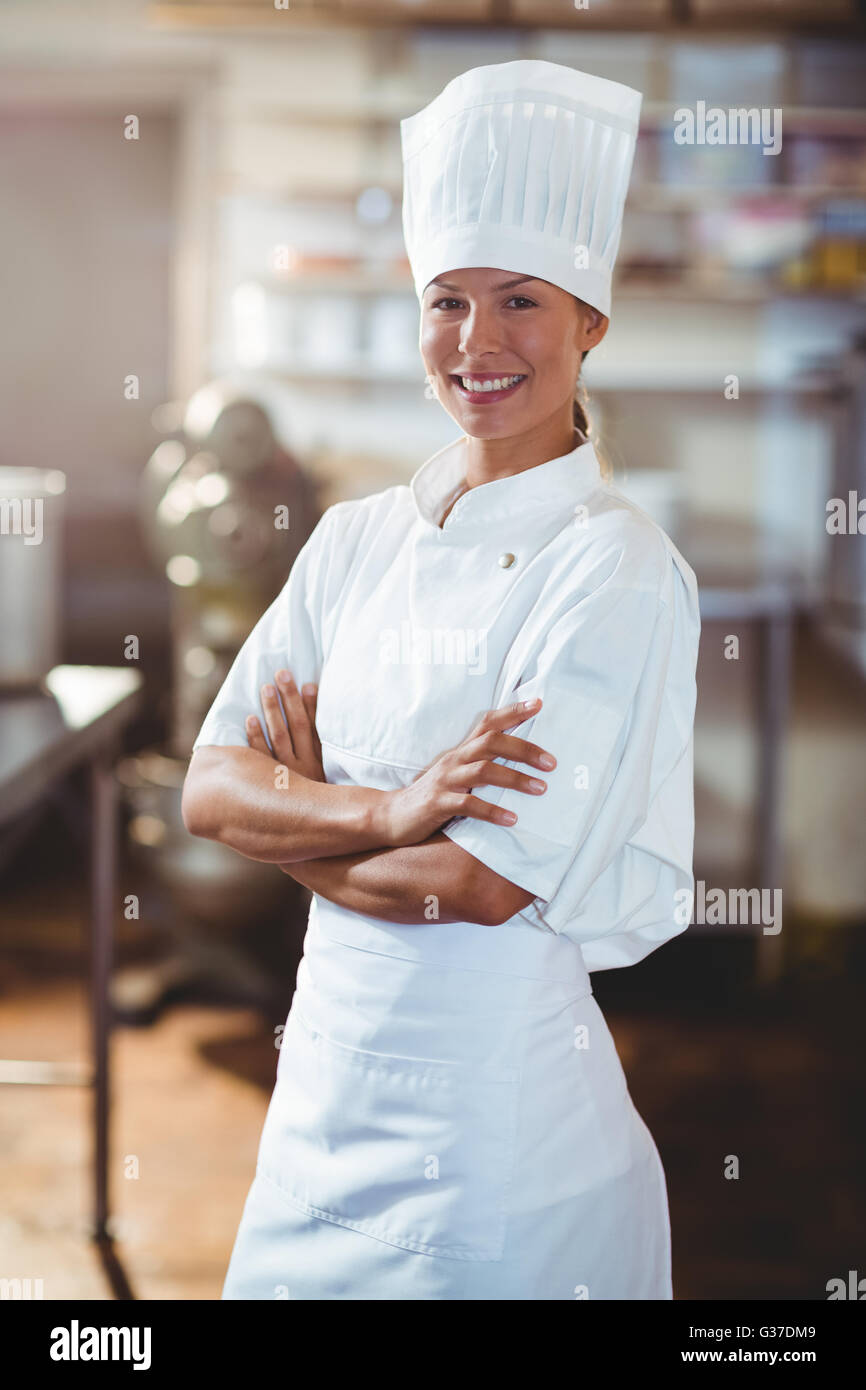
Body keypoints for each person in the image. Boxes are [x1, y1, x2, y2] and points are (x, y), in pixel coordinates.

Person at [182, 59, 701, 1300]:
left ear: (589, 326)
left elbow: (472, 884)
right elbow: (208, 790)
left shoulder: (613, 568)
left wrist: (296, 829)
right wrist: (387, 810)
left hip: (496, 1155)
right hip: (315, 1109)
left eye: (519, 300)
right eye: (446, 301)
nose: (477, 343)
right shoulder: (357, 538)